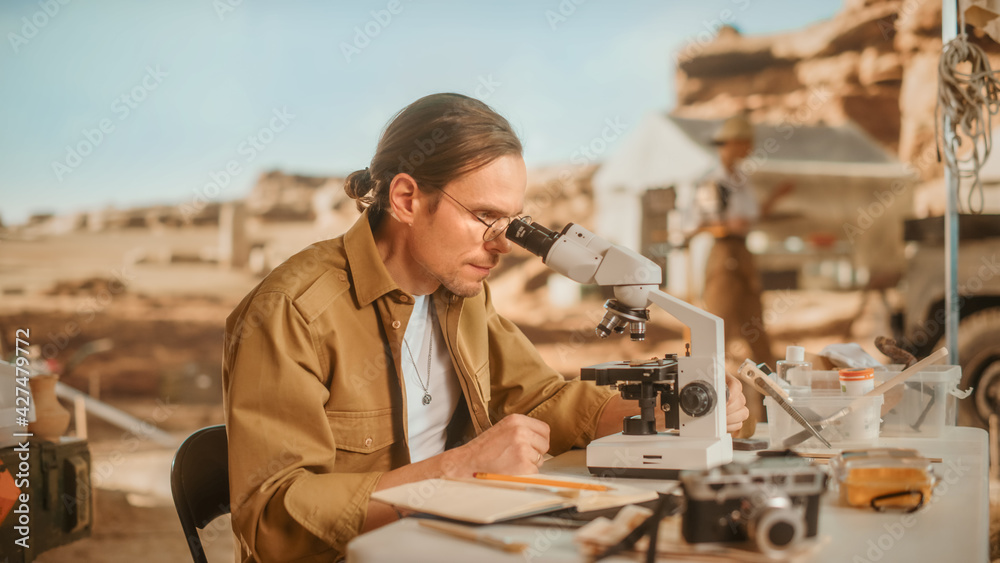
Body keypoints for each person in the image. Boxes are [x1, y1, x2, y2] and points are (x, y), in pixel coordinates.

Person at [222, 93, 749, 562]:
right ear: (406, 199)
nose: (501, 245)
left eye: (510, 222)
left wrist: (664, 406)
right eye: (483, 217)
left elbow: (539, 400)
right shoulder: (291, 312)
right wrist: (458, 468)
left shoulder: (461, 293)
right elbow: (272, 523)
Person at [687, 113, 794, 434]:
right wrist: (726, 226)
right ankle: (706, 409)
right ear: (730, 145)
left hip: (742, 255)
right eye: (744, 143)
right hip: (723, 256)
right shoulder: (712, 181)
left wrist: (776, 198)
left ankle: (773, 414)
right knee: (714, 332)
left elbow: (750, 217)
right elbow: (697, 224)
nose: (748, 149)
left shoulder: (740, 180)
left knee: (757, 333)